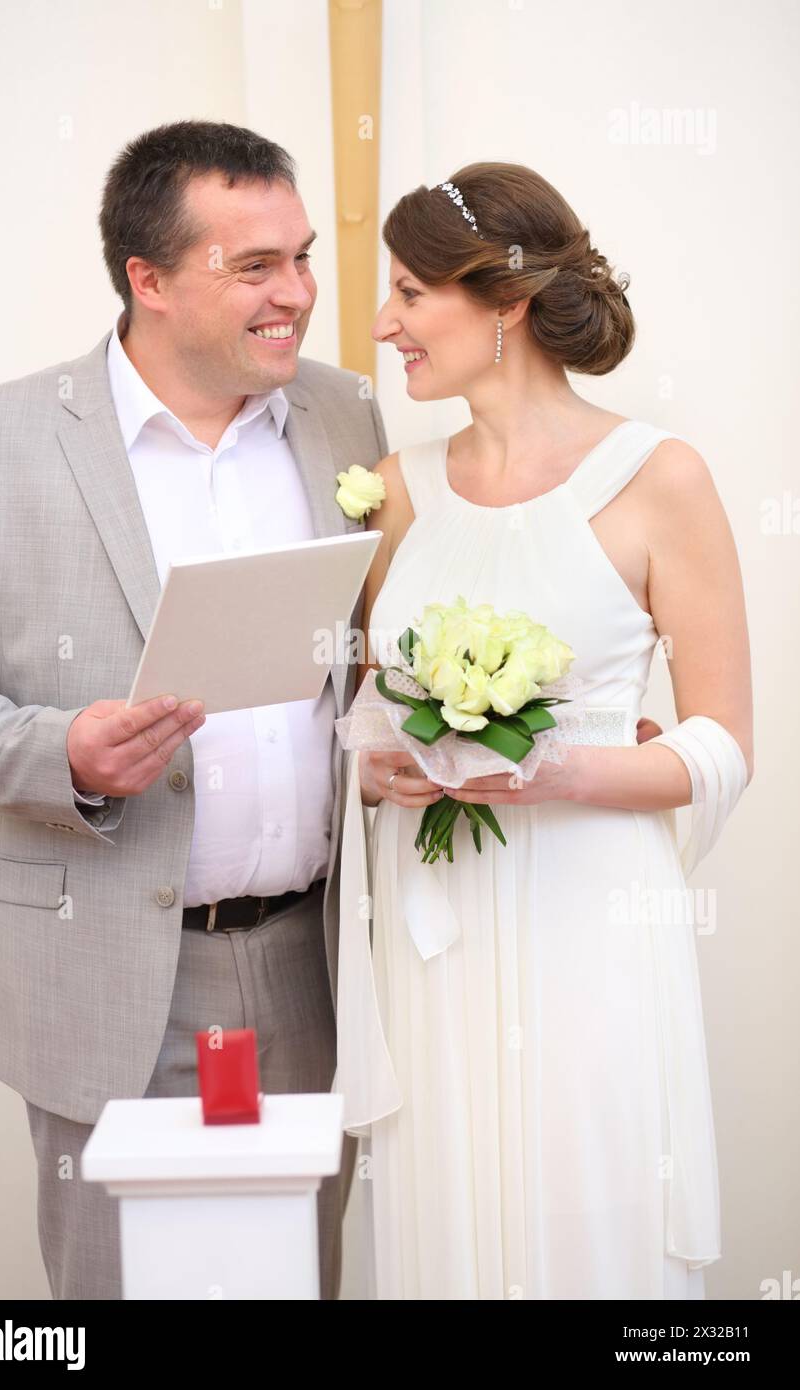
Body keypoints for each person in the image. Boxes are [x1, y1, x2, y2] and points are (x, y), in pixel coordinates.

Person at [0, 120, 387, 1300]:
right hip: (106, 976)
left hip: (316, 962)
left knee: (298, 1285)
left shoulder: (348, 420)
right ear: (147, 278)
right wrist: (63, 753)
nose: (294, 295)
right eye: (254, 268)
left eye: (299, 259)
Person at [334, 162, 753, 1298]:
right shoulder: (398, 487)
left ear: (504, 304)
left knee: (589, 1201)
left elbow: (716, 746)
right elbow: (364, 715)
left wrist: (555, 767)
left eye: (413, 292)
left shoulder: (657, 477)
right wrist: (378, 774)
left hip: (593, 922)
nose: (385, 323)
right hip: (437, 932)